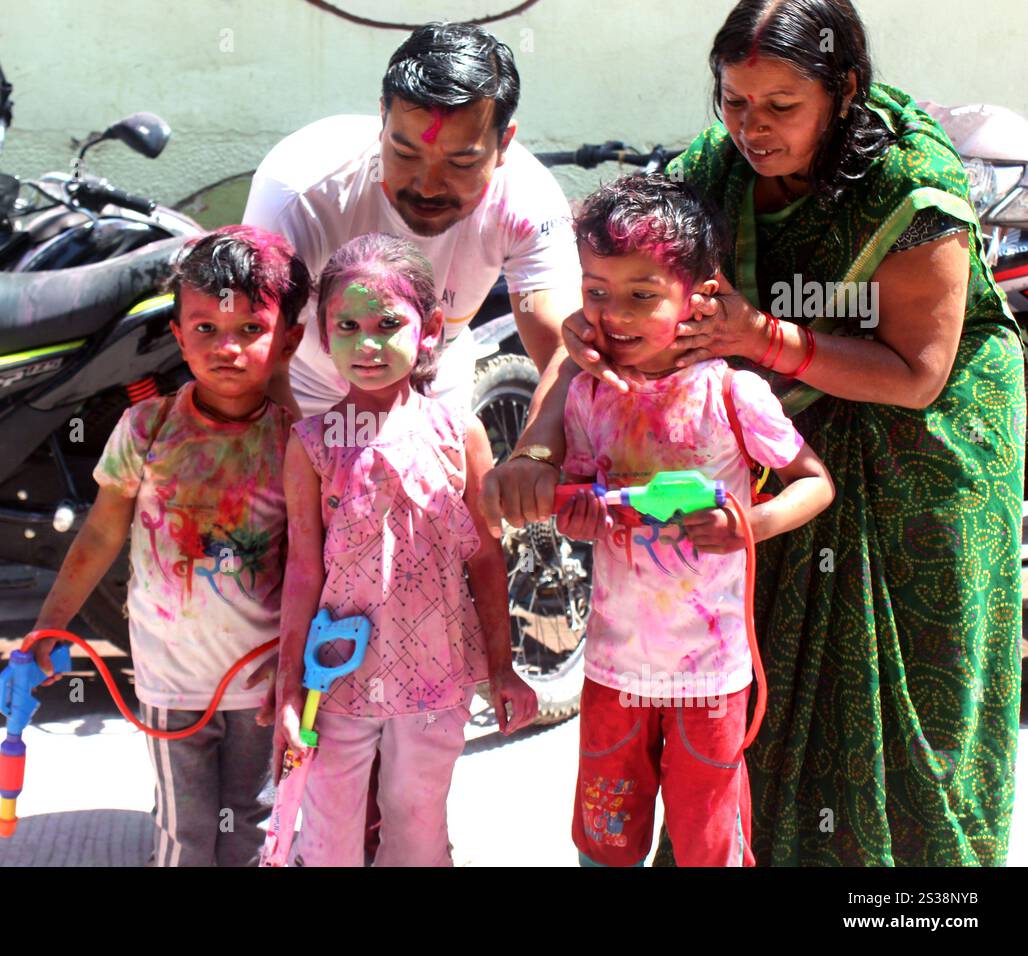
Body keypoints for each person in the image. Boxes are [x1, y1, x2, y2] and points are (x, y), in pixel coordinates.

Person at [556, 0, 1024, 865]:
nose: (751, 129)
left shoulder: (908, 181)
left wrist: (761, 338)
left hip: (923, 441)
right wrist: (585, 339)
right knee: (762, 661)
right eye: (734, 102)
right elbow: (633, 278)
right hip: (774, 414)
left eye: (780, 107)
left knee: (906, 683)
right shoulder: (718, 166)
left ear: (843, 90)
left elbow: (918, 372)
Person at [556, 175, 834, 867]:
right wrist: (580, 513)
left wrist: (748, 525)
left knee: (707, 840)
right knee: (606, 839)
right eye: (596, 291)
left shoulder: (734, 393)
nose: (613, 314)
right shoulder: (590, 394)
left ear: (700, 293)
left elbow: (815, 485)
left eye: (640, 295)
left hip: (710, 675)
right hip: (614, 666)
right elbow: (573, 504)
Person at [26, 226, 309, 866]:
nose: (226, 348)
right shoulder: (146, 429)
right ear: (178, 337)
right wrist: (50, 626)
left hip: (264, 682)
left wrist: (297, 669)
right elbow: (100, 532)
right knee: (184, 831)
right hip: (170, 680)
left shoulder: (299, 440)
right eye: (205, 329)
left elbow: (314, 562)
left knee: (255, 828)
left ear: (288, 341)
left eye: (250, 331)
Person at [274, 232, 538, 866]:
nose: (367, 343)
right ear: (322, 331)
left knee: (418, 822)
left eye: (388, 323)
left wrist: (501, 668)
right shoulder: (311, 443)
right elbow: (304, 569)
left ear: (429, 330)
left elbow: (484, 558)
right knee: (327, 832)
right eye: (348, 325)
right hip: (332, 676)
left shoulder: (459, 435)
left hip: (435, 673)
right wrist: (287, 688)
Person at [243, 20, 596, 431]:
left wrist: (536, 454)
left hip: (433, 390)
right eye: (405, 153)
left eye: (460, 163)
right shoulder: (300, 191)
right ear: (382, 118)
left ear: (504, 144)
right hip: (305, 395)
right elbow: (258, 348)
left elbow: (562, 345)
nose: (427, 186)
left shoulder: (526, 198)